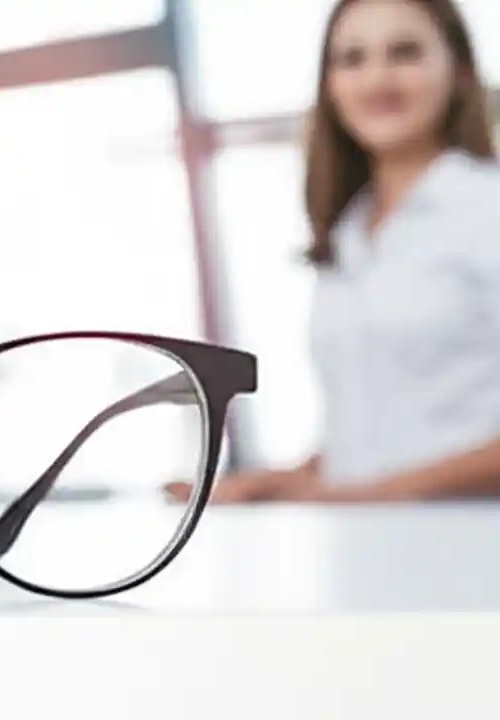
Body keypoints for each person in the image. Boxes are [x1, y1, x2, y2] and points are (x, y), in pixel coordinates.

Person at [170, 0, 500, 504]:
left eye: (405, 53)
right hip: (361, 547)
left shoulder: (486, 207)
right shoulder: (349, 230)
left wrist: (368, 495)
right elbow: (381, 427)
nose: (377, 78)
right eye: (351, 59)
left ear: (457, 71)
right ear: (330, 85)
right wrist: (279, 483)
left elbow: (383, 479)